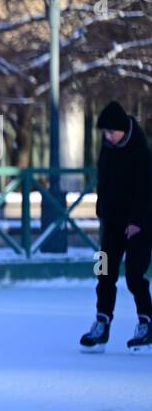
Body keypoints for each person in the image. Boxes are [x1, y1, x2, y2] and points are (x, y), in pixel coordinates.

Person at [79, 100, 152, 353]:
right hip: (112, 223)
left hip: (139, 226)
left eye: (110, 132)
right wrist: (101, 208)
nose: (107, 136)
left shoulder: (141, 150)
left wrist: (136, 221)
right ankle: (102, 324)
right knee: (104, 271)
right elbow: (104, 179)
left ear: (122, 128)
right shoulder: (108, 148)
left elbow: (146, 190)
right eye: (104, 133)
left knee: (135, 276)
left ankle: (146, 323)